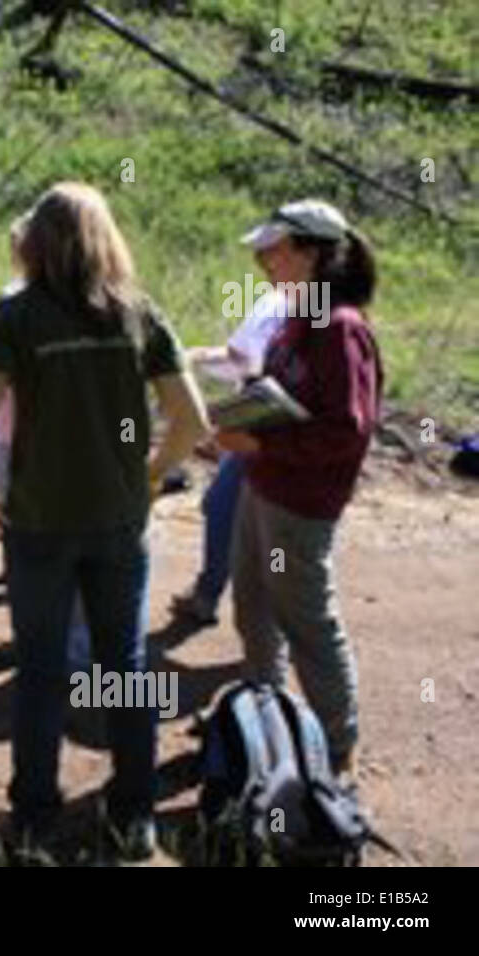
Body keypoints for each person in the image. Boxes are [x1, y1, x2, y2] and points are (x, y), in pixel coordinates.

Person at [0, 182, 210, 860]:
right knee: (123, 665)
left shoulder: (16, 318)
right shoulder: (138, 315)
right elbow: (193, 423)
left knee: (41, 672)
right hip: (119, 522)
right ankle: (135, 819)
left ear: (37, 242)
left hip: (39, 522)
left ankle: (35, 820)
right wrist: (149, 479)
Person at [217, 199, 381, 780]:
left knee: (305, 618)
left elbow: (346, 430)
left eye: (274, 248)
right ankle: (266, 716)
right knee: (253, 604)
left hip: (300, 503)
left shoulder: (340, 328)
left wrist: (262, 445)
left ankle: (337, 748)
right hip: (264, 488)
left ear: (310, 253)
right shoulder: (298, 314)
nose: (262, 259)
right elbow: (292, 393)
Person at [0, 214, 91, 675]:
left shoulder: (75, 304)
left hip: (45, 445)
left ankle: (72, 651)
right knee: (27, 550)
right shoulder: (13, 301)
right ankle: (37, 641)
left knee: (53, 551)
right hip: (18, 440)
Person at [169, 277, 285, 628]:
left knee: (266, 525)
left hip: (278, 428)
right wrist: (196, 357)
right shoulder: (272, 299)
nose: (266, 261)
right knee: (221, 506)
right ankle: (209, 594)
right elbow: (240, 357)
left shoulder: (317, 306)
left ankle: (286, 618)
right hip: (254, 420)